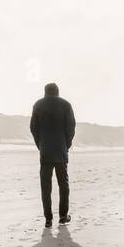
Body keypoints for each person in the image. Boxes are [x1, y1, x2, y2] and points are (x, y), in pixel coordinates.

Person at [30, 82, 76, 226]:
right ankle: (63, 216)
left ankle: (48, 219)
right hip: (60, 150)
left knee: (46, 186)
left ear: (45, 92)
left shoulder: (38, 105)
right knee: (63, 185)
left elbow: (33, 128)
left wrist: (40, 145)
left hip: (45, 152)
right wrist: (66, 145)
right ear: (57, 91)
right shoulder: (65, 105)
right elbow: (71, 127)